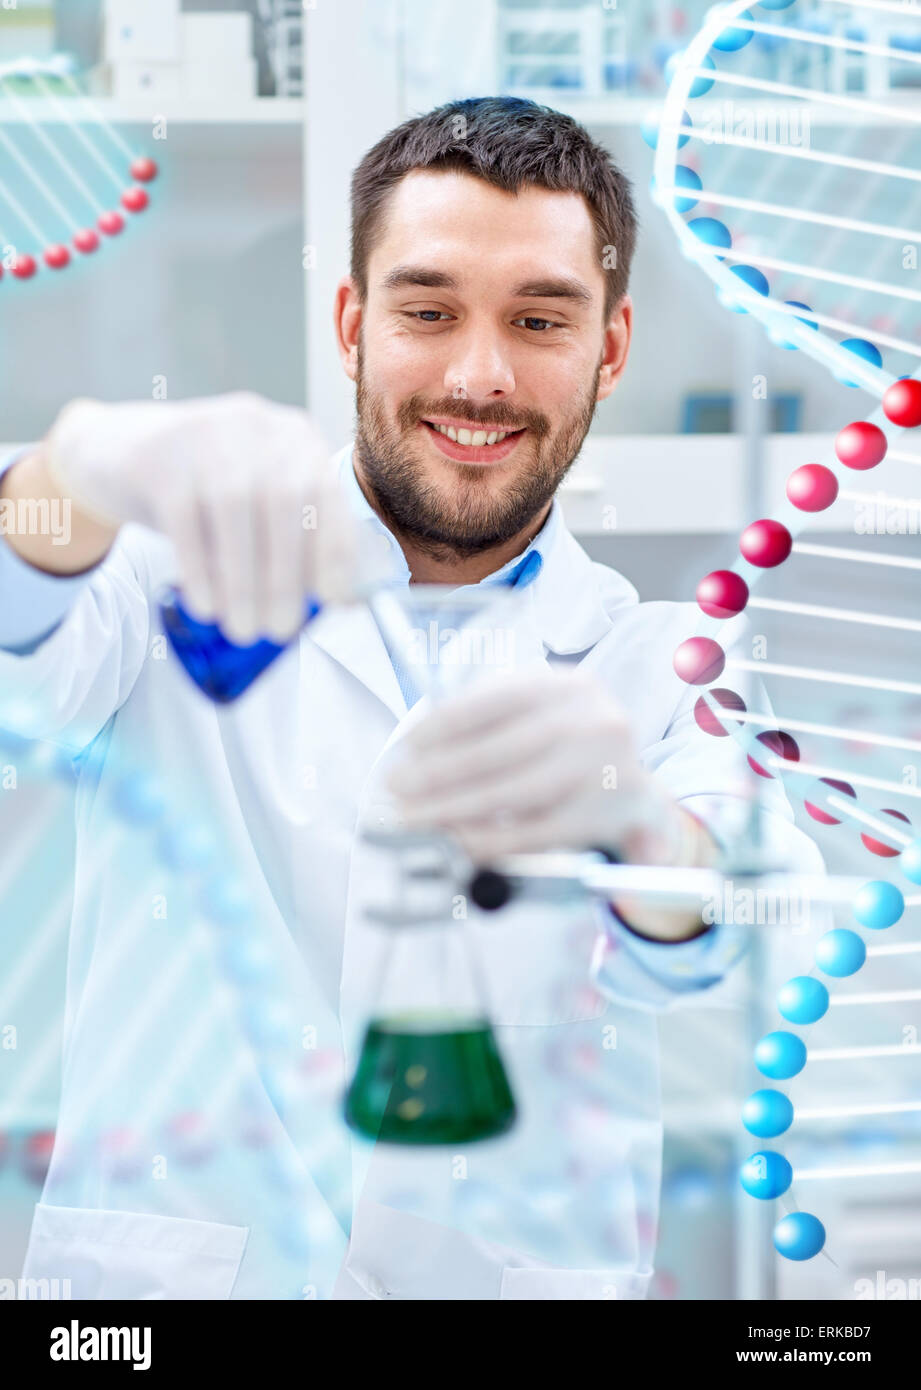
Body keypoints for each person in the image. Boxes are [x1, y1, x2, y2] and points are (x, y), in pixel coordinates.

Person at [0, 97, 823, 1300]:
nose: (479, 376)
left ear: (612, 346)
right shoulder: (161, 580)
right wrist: (68, 479)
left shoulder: (661, 665)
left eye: (541, 319)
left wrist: (643, 831)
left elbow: (761, 916)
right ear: (352, 324)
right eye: (428, 311)